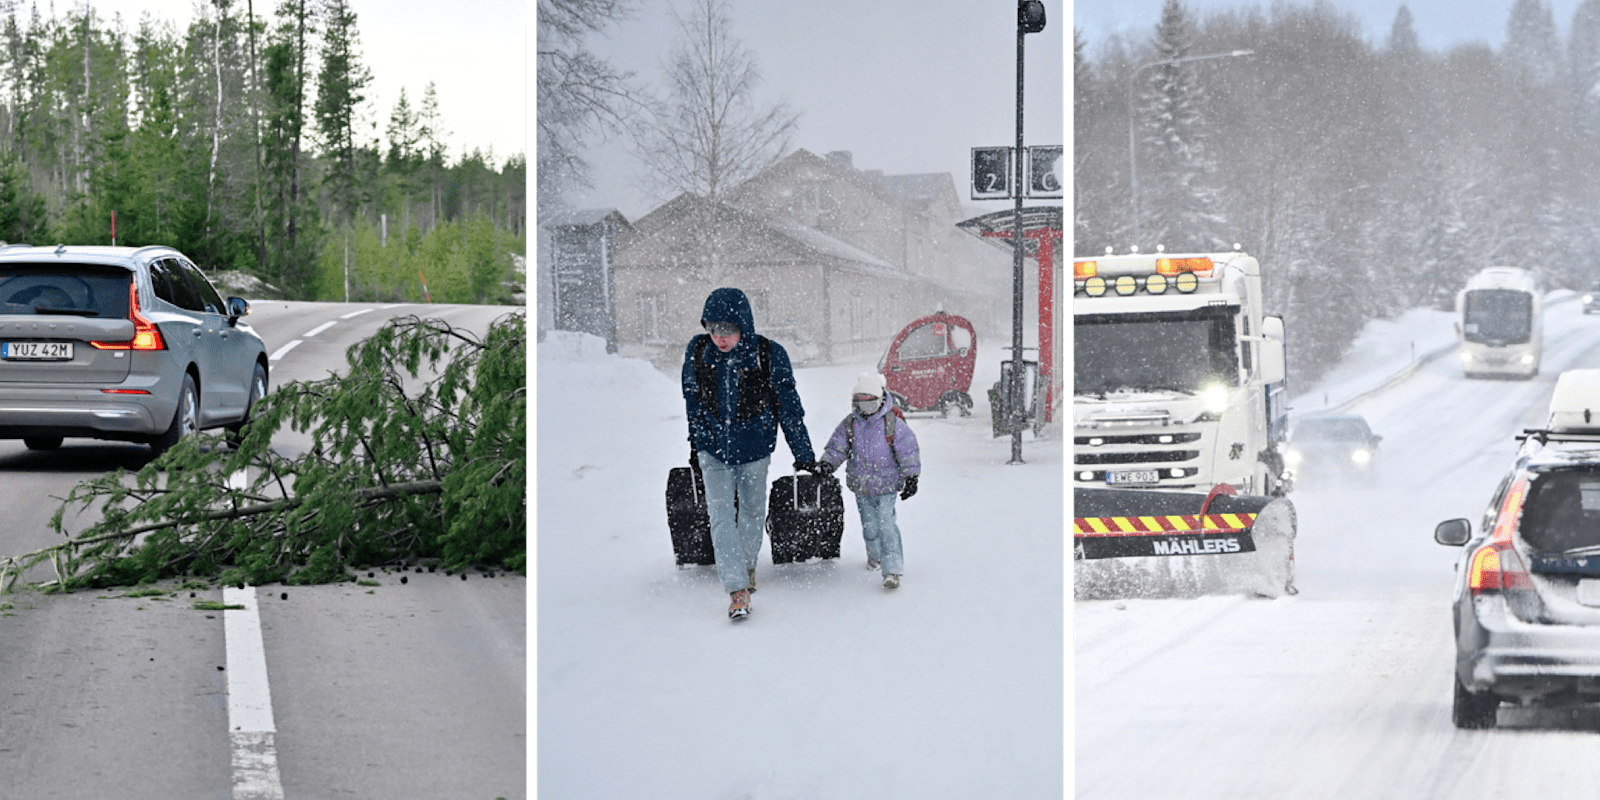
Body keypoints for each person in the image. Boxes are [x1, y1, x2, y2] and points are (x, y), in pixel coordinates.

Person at [683, 287, 822, 620]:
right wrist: (696, 443)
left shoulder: (768, 354)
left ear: (743, 324)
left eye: (727, 329)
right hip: (712, 451)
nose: (720, 337)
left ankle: (746, 566)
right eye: (713, 328)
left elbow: (789, 408)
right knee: (720, 517)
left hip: (755, 449)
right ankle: (737, 588)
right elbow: (693, 401)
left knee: (751, 511)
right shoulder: (699, 351)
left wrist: (803, 452)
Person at [815, 373, 921, 589]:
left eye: (870, 403)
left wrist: (911, 477)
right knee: (870, 526)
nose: (865, 408)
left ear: (880, 400)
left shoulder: (893, 424)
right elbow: (837, 447)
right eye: (860, 403)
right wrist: (827, 463)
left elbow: (908, 450)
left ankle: (892, 569)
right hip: (862, 486)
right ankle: (875, 557)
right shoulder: (850, 424)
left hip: (887, 485)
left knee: (886, 524)